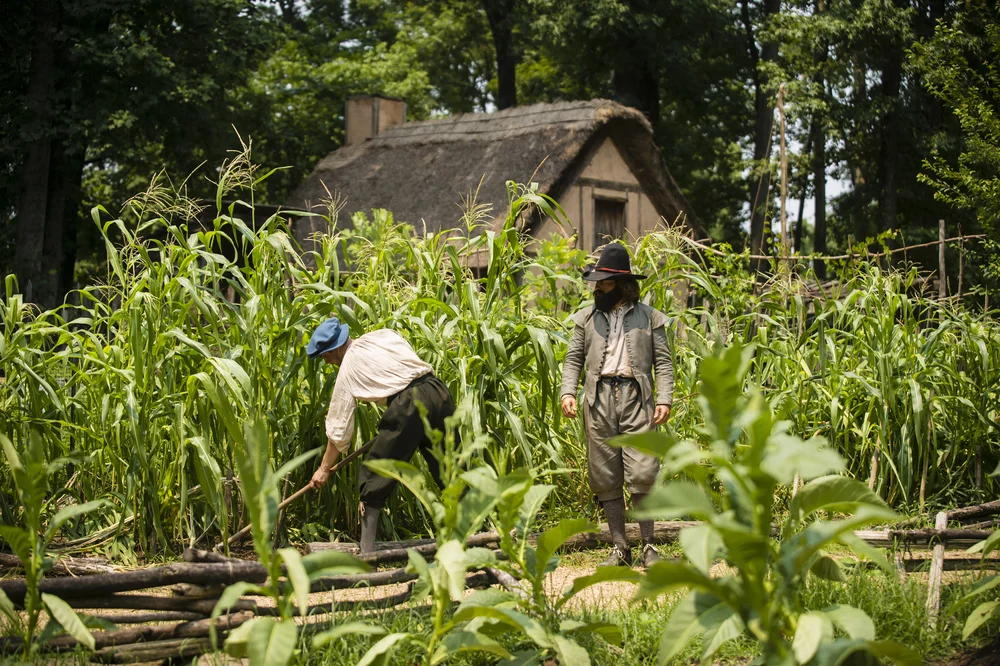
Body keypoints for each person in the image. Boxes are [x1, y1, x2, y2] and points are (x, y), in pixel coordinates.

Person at [560, 243, 673, 568]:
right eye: (598, 283)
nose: (598, 288)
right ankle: (620, 549)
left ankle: (649, 546)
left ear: (622, 285)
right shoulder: (585, 318)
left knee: (643, 471)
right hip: (598, 400)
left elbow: (663, 364)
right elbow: (573, 360)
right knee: (605, 475)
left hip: (638, 399)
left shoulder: (651, 318)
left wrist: (664, 398)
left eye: (605, 283)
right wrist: (569, 392)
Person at [306, 317, 455, 552]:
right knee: (452, 469)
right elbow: (405, 367)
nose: (327, 363)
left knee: (373, 476)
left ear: (335, 349)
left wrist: (323, 469)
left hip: (409, 403)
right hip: (437, 391)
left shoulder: (347, 370)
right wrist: (408, 421)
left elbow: (338, 429)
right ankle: (476, 539)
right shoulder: (381, 336)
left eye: (325, 357)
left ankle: (367, 556)